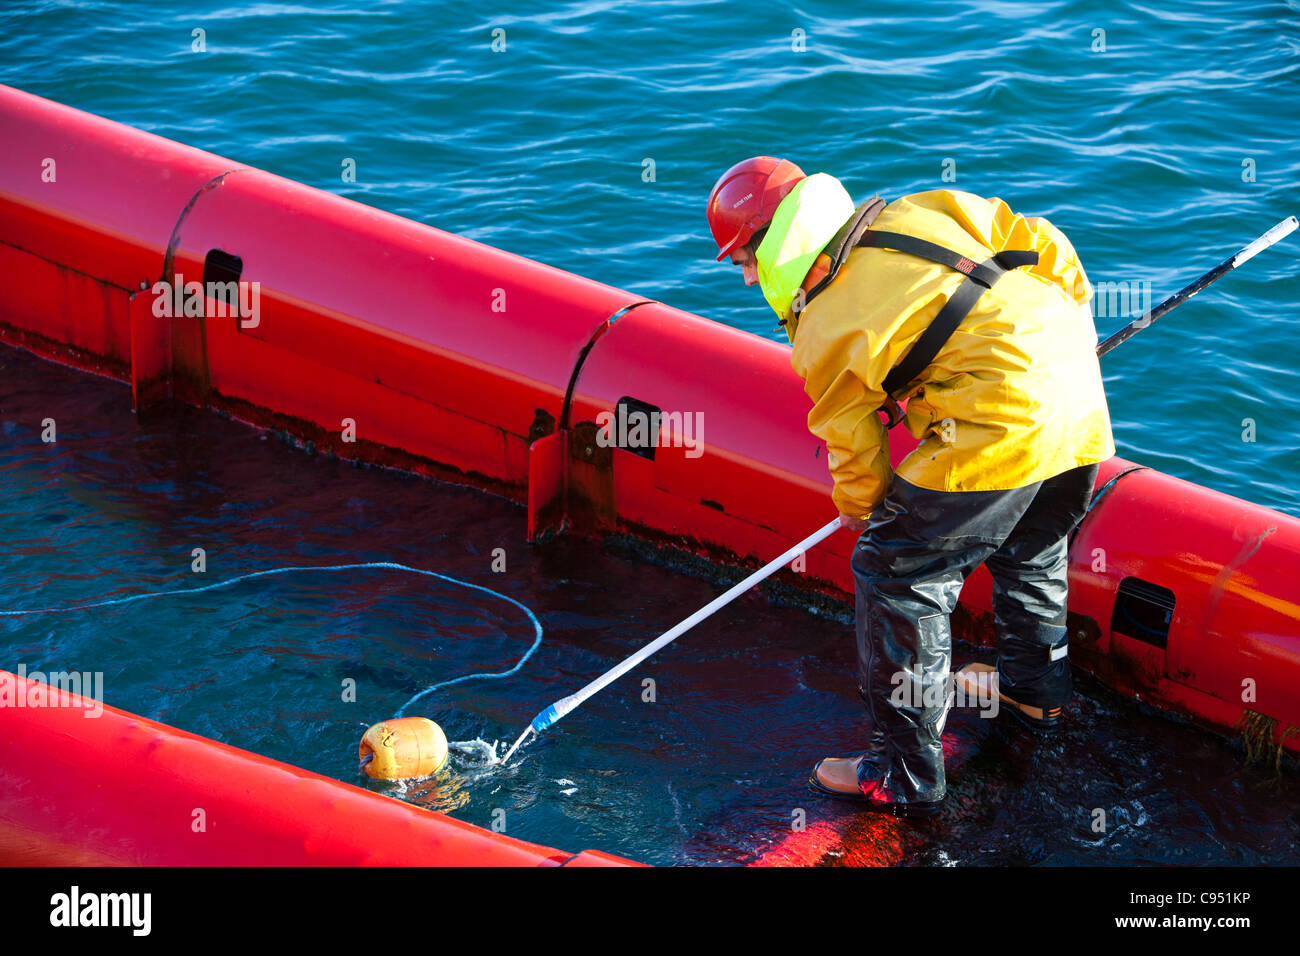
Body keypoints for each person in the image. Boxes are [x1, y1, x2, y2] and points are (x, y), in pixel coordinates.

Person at [706, 157, 1115, 817]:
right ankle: (1036, 698)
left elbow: (858, 460)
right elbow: (1046, 242)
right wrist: (1044, 338)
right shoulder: (919, 208)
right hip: (1075, 396)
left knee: (895, 575)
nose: (749, 277)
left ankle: (903, 776)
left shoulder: (823, 321)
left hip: (996, 425)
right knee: (1032, 555)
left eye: (745, 260)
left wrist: (864, 514)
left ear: (776, 243)